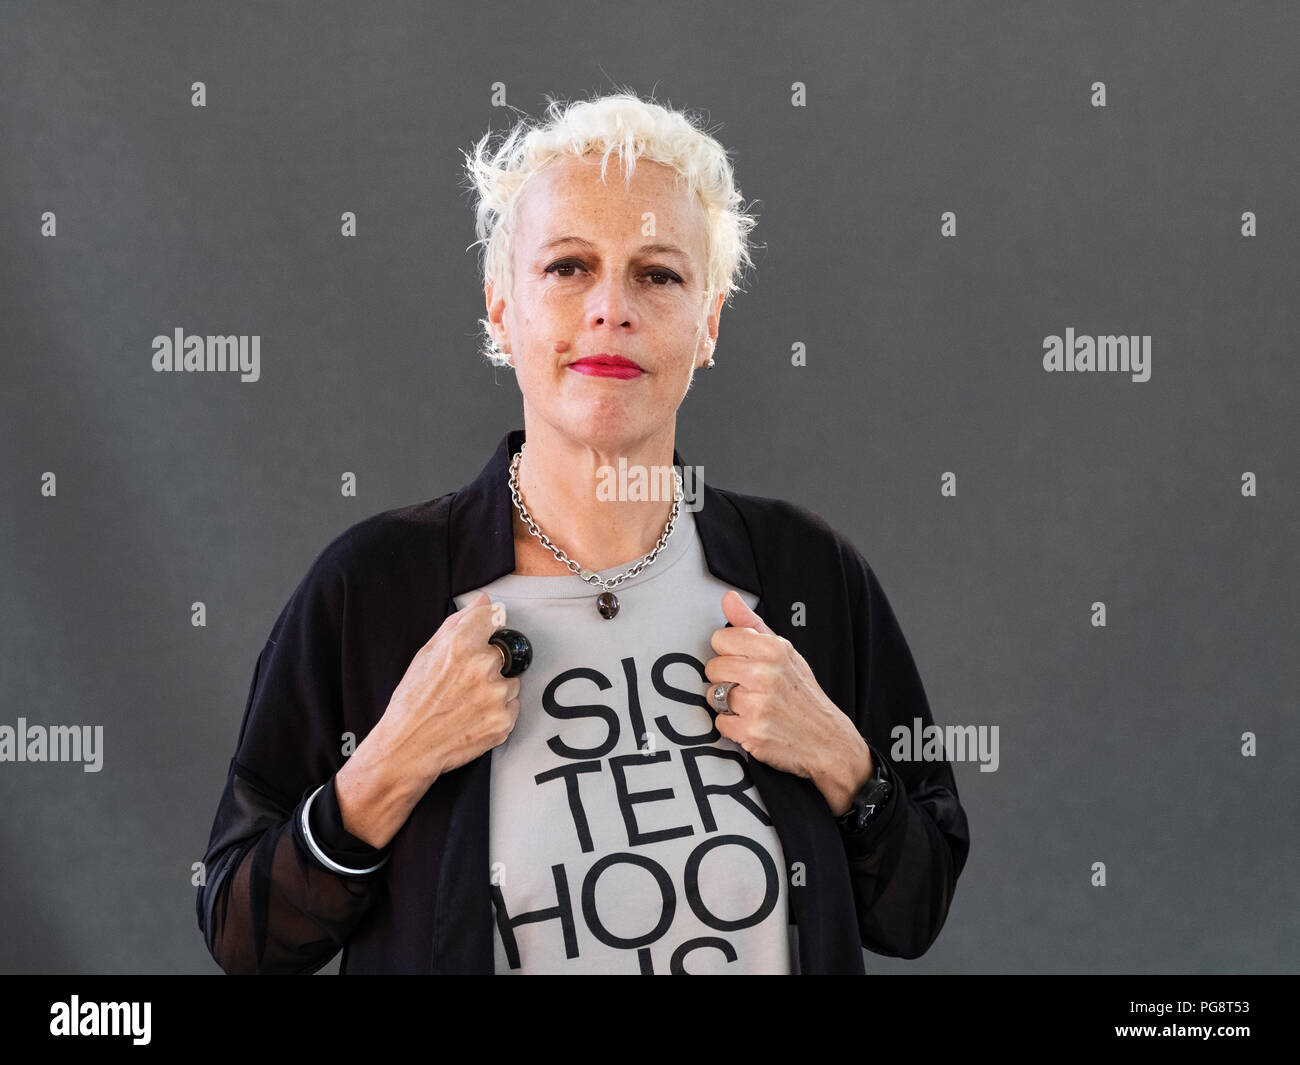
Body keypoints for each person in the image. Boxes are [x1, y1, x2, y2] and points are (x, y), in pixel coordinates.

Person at [195, 90, 970, 975]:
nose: (611, 307)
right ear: (501, 309)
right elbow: (243, 932)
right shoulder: (372, 588)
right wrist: (387, 765)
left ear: (708, 321)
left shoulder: (806, 573)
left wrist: (844, 763)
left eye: (658, 273)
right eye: (568, 267)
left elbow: (917, 907)